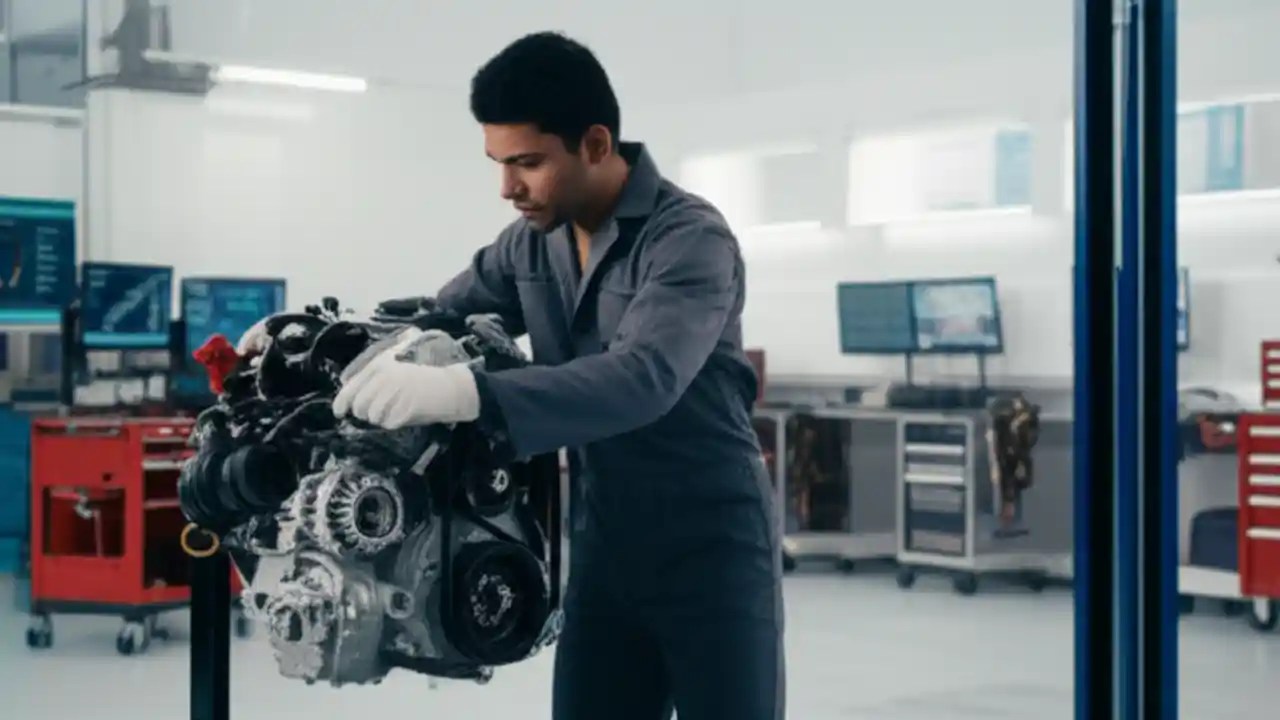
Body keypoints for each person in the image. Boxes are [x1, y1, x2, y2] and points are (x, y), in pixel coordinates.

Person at [240, 31, 784, 720]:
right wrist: (312, 342)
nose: (507, 188)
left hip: (711, 548)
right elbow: (436, 318)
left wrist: (473, 392)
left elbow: (645, 376)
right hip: (603, 547)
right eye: (498, 163)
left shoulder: (689, 240)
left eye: (527, 163)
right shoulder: (533, 242)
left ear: (594, 143)